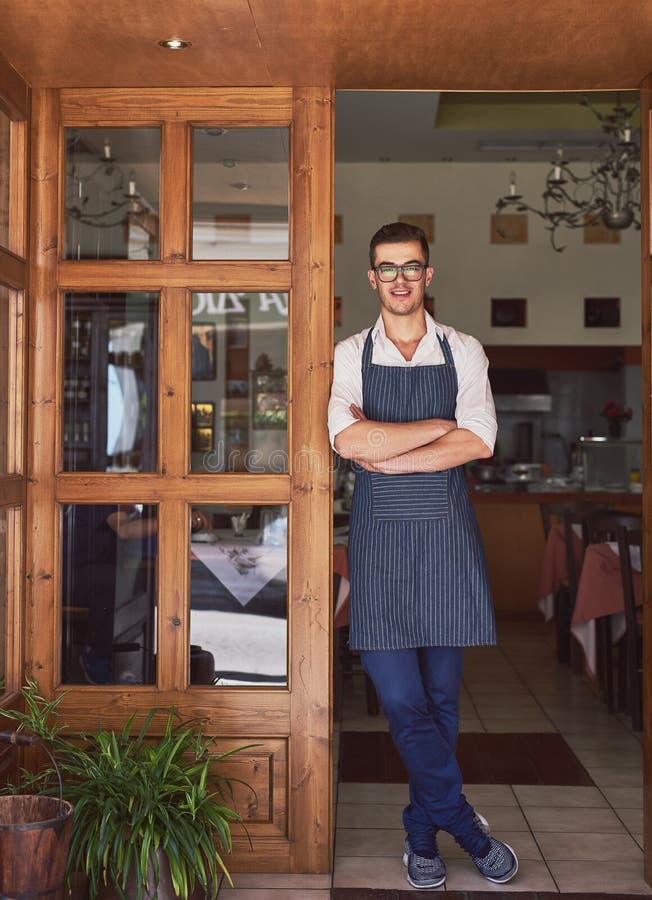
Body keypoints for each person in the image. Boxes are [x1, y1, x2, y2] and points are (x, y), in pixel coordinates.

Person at [327, 222, 518, 889]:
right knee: (404, 702)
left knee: (440, 702)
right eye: (388, 268)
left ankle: (419, 835)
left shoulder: (463, 348)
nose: (400, 279)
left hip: (445, 540)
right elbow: (346, 440)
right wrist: (438, 428)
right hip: (379, 549)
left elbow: (481, 440)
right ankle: (462, 824)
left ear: (428, 276)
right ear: (372, 277)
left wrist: (395, 457)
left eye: (412, 267)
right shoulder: (349, 351)